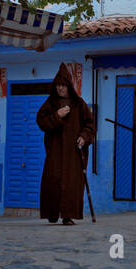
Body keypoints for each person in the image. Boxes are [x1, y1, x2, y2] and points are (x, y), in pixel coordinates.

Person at [35, 63, 95, 225]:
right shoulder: (50, 104)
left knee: (72, 182)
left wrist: (84, 136)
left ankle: (68, 216)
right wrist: (57, 115)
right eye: (58, 86)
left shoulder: (79, 104)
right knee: (52, 180)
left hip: (73, 152)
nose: (61, 88)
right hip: (54, 151)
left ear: (69, 86)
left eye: (63, 85)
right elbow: (41, 122)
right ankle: (52, 213)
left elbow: (90, 124)